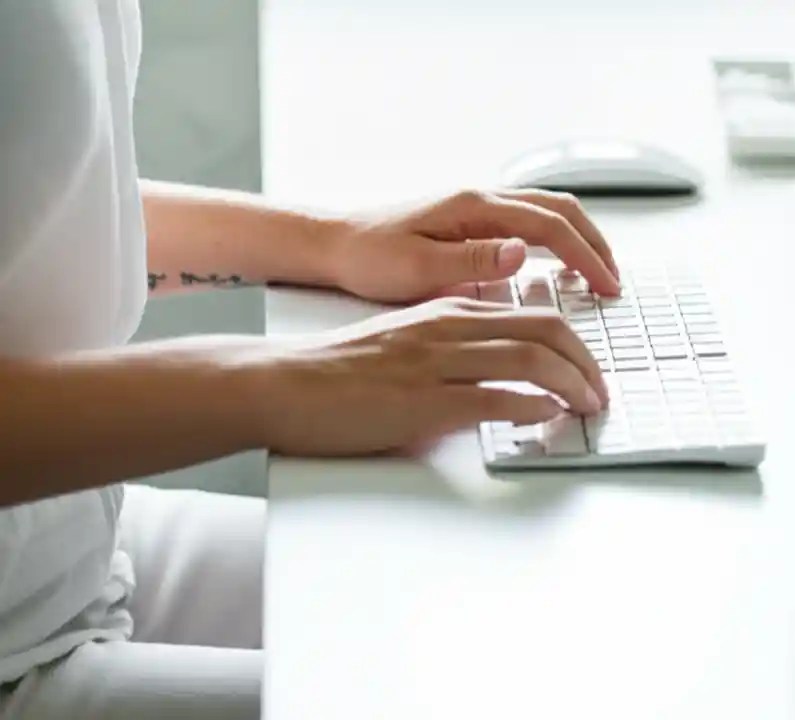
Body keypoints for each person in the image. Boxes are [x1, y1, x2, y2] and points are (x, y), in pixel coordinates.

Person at [0, 2, 618, 718]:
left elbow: (39, 212)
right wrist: (286, 384)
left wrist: (330, 245)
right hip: (18, 649)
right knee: (469, 690)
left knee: (517, 605)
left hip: (69, 537)